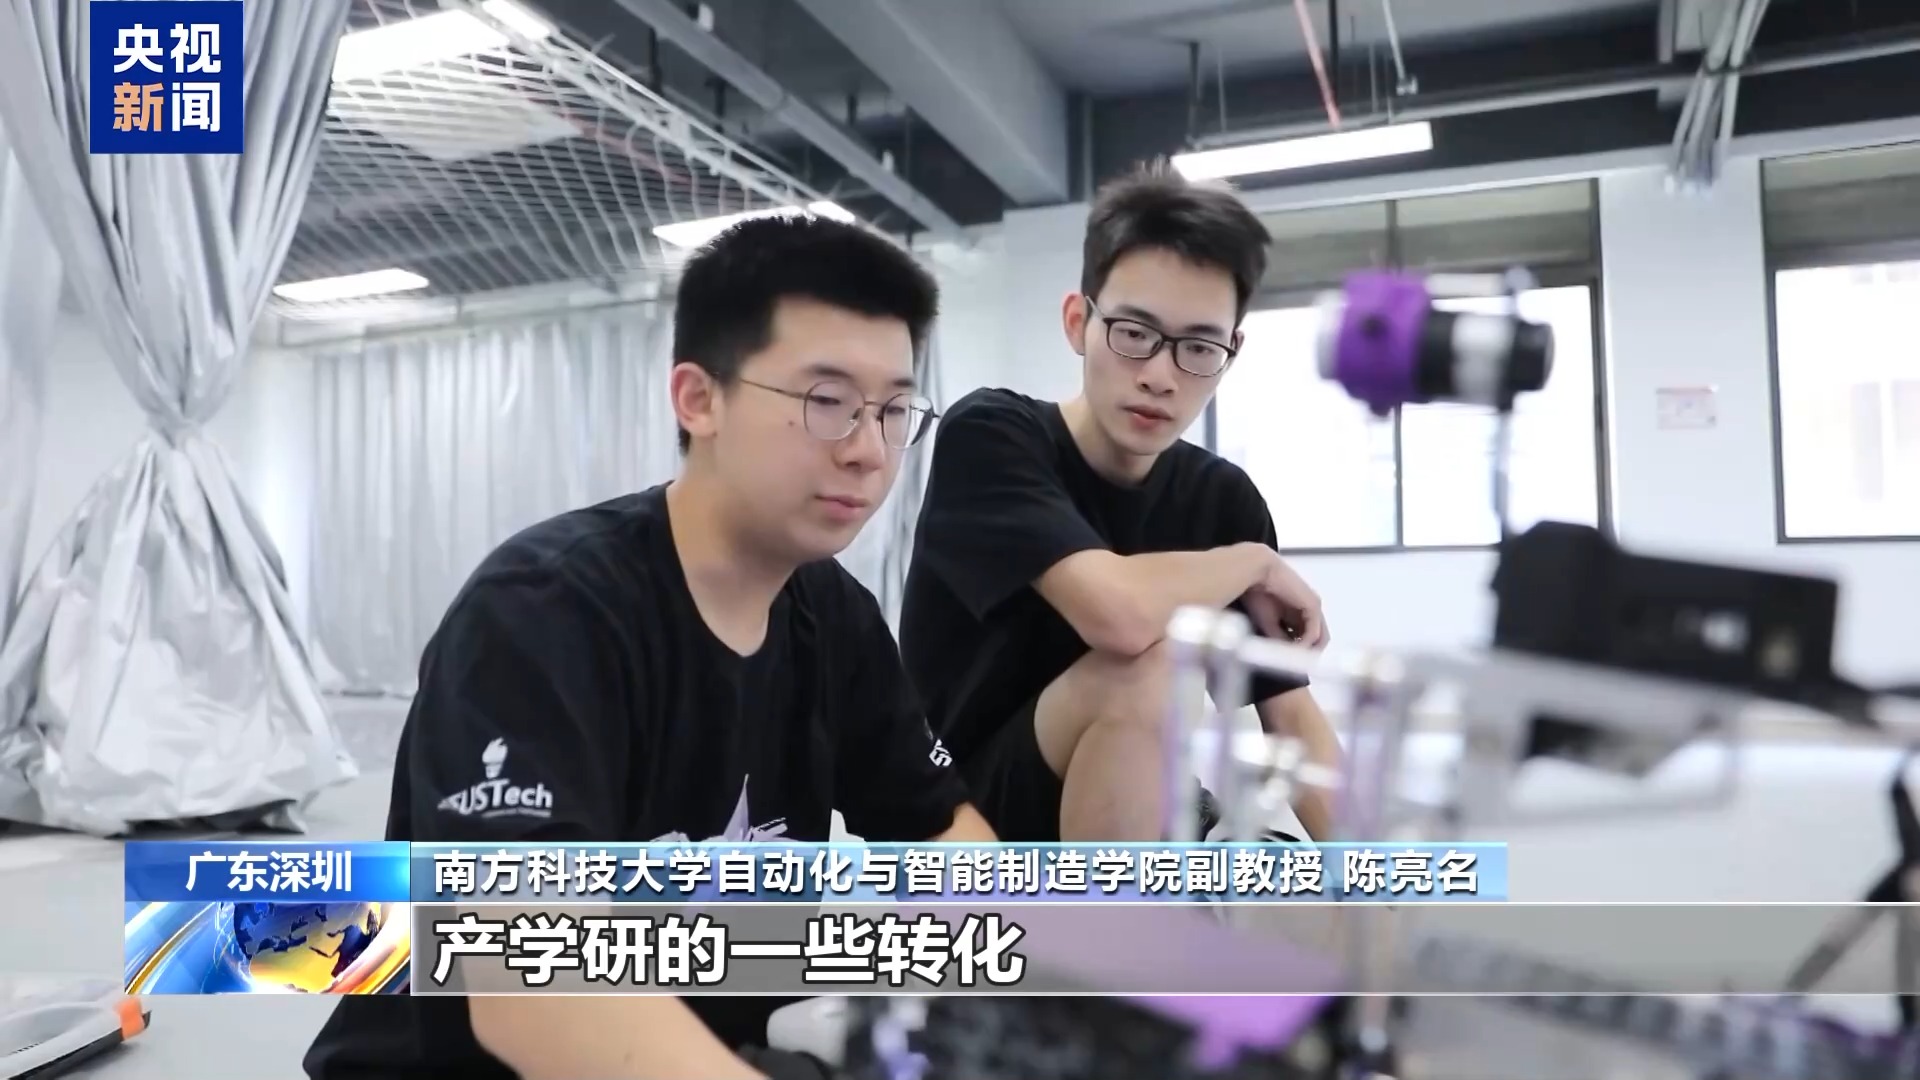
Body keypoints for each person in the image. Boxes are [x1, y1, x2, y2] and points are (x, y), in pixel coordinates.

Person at [305, 213, 994, 1080]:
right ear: (699, 399)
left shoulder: (834, 616)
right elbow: (531, 987)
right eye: (826, 403)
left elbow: (944, 833)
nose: (867, 451)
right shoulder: (541, 614)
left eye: (893, 411)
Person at [899, 160, 1343, 846]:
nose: (1160, 376)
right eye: (1134, 334)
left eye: (1198, 347)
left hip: (1146, 812)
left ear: (1231, 352)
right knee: (1152, 667)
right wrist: (1254, 562)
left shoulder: (1221, 501)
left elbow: (1289, 715)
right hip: (970, 824)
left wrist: (1393, 877)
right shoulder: (991, 436)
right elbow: (1120, 616)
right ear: (1079, 322)